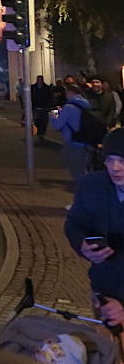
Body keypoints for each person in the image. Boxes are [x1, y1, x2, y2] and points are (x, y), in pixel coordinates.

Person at [64, 129, 124, 328]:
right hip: (103, 291)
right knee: (105, 345)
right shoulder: (92, 185)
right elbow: (75, 223)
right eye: (110, 160)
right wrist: (81, 245)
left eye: (122, 161)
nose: (115, 168)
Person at [51, 84, 98, 189]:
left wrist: (54, 116)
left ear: (69, 92)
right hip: (87, 140)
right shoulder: (87, 104)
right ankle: (89, 187)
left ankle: (85, 192)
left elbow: (57, 125)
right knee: (85, 167)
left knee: (77, 170)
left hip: (73, 141)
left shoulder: (69, 107)